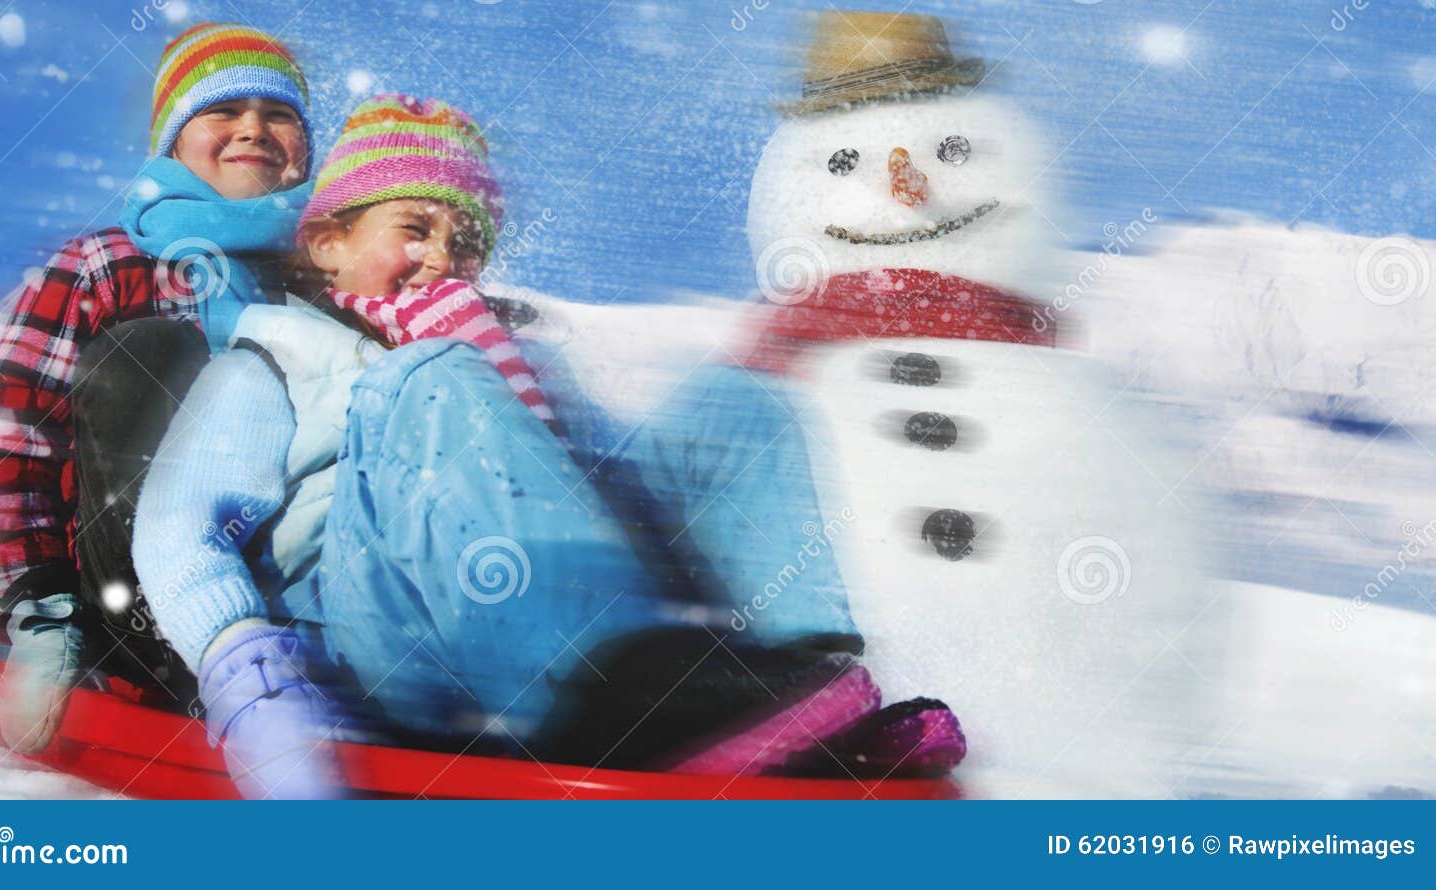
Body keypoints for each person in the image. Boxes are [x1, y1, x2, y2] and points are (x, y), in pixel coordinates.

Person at [134, 94, 966, 799]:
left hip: (555, 618)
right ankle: (612, 696)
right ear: (330, 244)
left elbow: (608, 492)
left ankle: (794, 684)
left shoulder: (502, 355)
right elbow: (176, 524)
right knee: (431, 376)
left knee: (732, 405)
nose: (442, 261)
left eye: (466, 244)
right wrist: (248, 676)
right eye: (413, 228)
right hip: (376, 646)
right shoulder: (277, 357)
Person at [0, 22, 313, 755]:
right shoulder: (106, 265)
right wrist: (41, 599)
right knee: (155, 352)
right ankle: (167, 650)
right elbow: (12, 435)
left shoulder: (328, 274)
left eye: (279, 113)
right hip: (138, 604)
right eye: (223, 110)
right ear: (174, 140)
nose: (254, 128)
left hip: (300, 603)